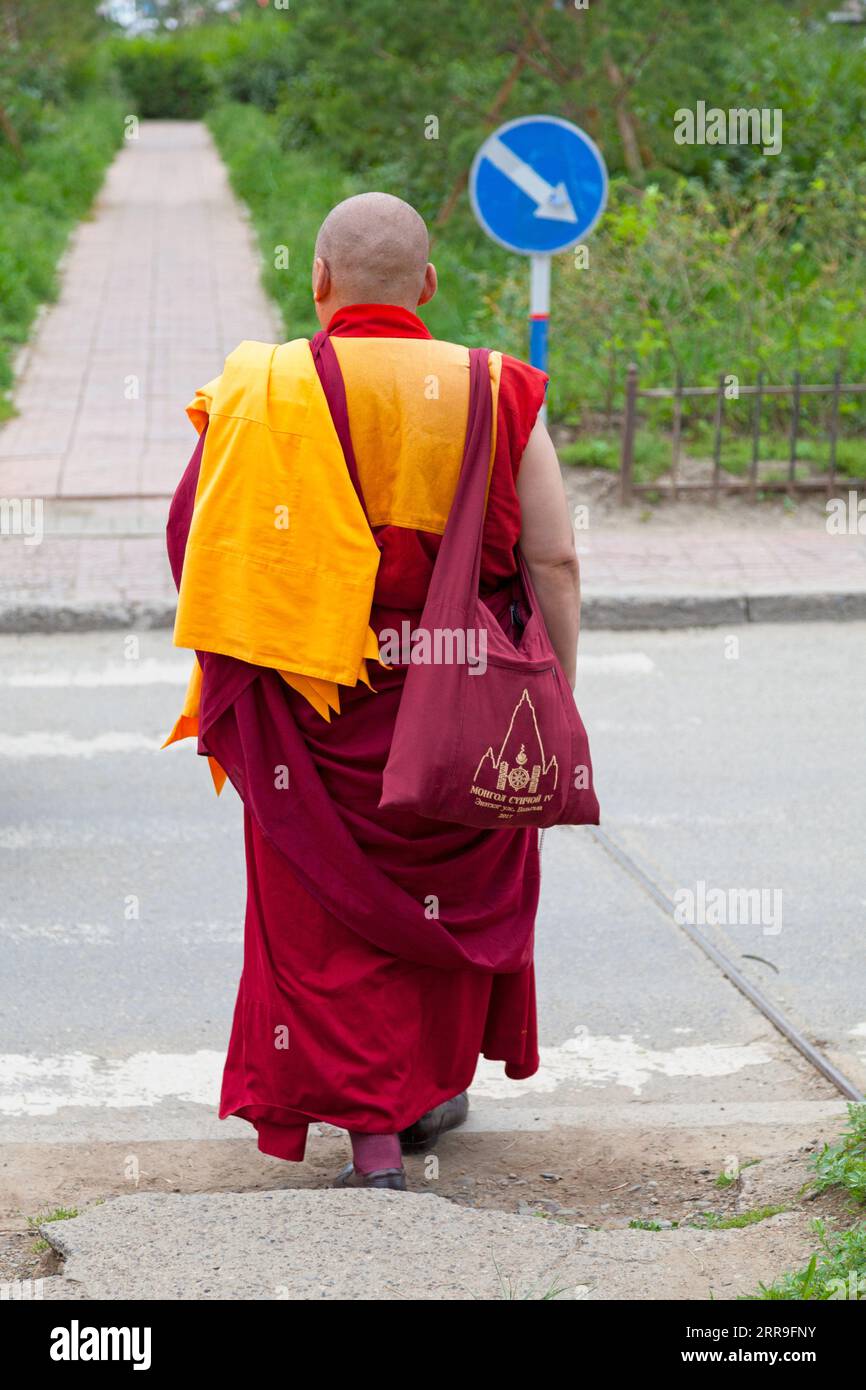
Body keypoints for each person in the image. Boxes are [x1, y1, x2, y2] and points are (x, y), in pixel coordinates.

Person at [165, 192, 581, 1190]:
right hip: (463, 699)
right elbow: (555, 557)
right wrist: (554, 689)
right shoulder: (495, 388)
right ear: (427, 285)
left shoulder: (266, 392)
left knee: (328, 919)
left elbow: (197, 543)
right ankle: (427, 1093)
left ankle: (373, 1140)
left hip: (313, 709)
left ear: (319, 281)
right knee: (441, 906)